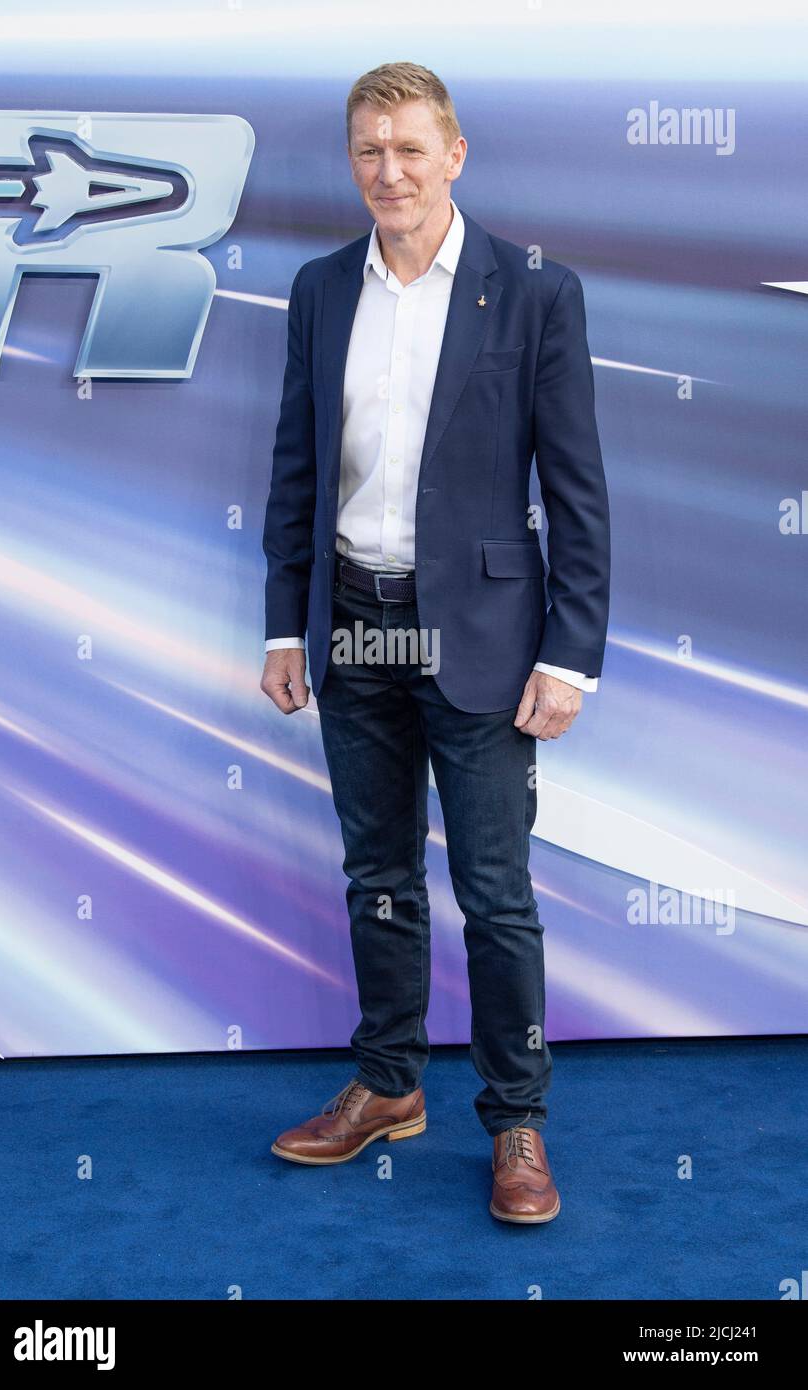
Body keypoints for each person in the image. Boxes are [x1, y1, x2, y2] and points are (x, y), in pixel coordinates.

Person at [260, 61, 610, 1222]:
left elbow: (576, 486)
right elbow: (296, 468)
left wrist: (570, 654)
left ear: (454, 155)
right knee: (379, 877)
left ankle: (516, 1120)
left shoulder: (531, 290)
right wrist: (282, 622)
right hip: (354, 624)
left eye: (410, 148)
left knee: (496, 891)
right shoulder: (318, 291)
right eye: (369, 149)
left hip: (482, 635)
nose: (389, 171)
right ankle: (388, 1083)